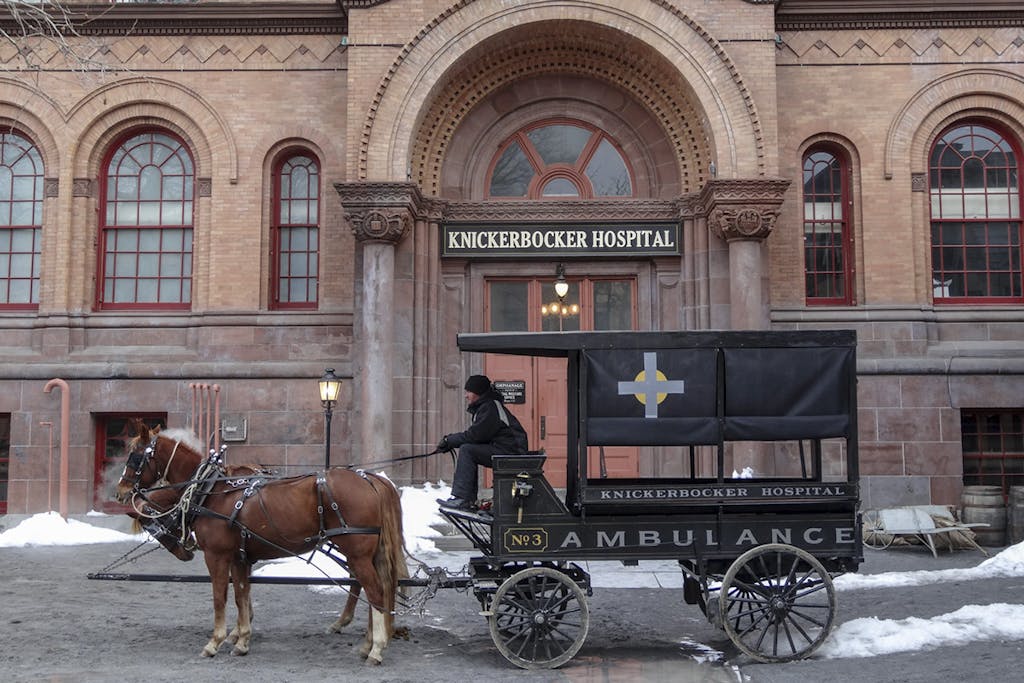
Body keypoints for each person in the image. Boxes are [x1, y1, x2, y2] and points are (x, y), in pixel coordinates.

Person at [436, 374, 528, 511]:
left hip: (510, 452)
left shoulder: (490, 407)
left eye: (468, 391)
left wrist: (449, 440)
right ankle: (466, 499)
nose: (466, 395)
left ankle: (463, 498)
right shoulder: (487, 406)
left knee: (468, 450)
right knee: (469, 449)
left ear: (478, 392)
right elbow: (478, 436)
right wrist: (450, 441)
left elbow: (475, 436)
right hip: (506, 449)